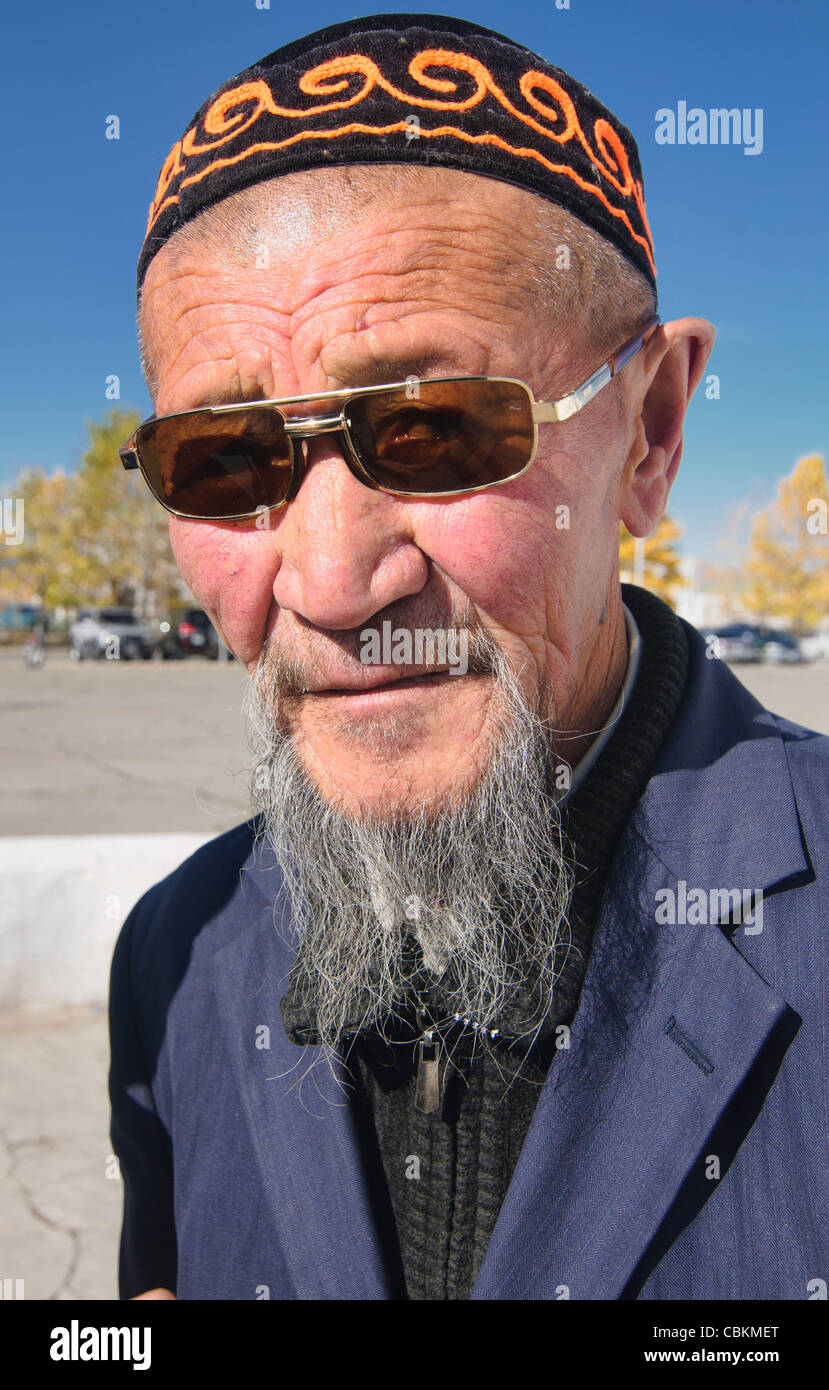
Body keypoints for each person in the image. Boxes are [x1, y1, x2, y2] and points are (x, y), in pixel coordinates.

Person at [109, 12, 828, 1300]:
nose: (331, 582)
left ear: (651, 432)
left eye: (435, 428)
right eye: (225, 461)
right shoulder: (175, 958)